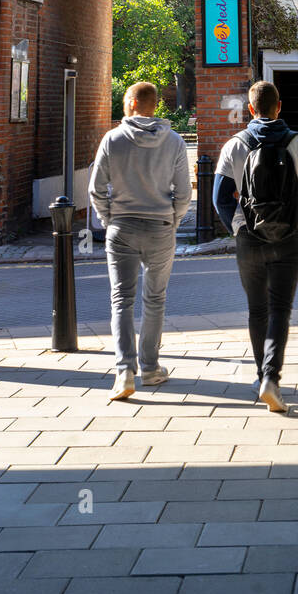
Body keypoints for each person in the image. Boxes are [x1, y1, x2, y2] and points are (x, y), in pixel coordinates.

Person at [213, 79, 298, 413]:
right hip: (288, 237)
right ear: (279, 107)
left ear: (250, 109)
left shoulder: (235, 144)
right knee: (280, 310)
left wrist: (238, 227)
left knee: (257, 309)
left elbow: (220, 198)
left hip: (249, 238)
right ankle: (271, 379)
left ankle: (262, 373)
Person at [88, 80, 192, 401]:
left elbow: (96, 189)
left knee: (122, 300)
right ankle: (150, 367)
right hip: (160, 227)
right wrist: (170, 221)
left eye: (124, 101)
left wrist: (110, 220)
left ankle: (124, 372)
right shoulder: (174, 142)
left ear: (133, 103)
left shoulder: (112, 139)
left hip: (123, 227)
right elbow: (184, 193)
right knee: (155, 299)